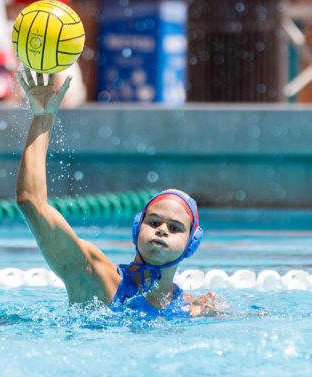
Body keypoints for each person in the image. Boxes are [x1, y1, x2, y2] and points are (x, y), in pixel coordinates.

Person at [14, 69, 221, 318]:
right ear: (137, 228)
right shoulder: (98, 278)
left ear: (192, 244)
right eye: (154, 222)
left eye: (175, 228)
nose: (162, 230)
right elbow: (31, 202)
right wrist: (43, 117)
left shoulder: (197, 309)